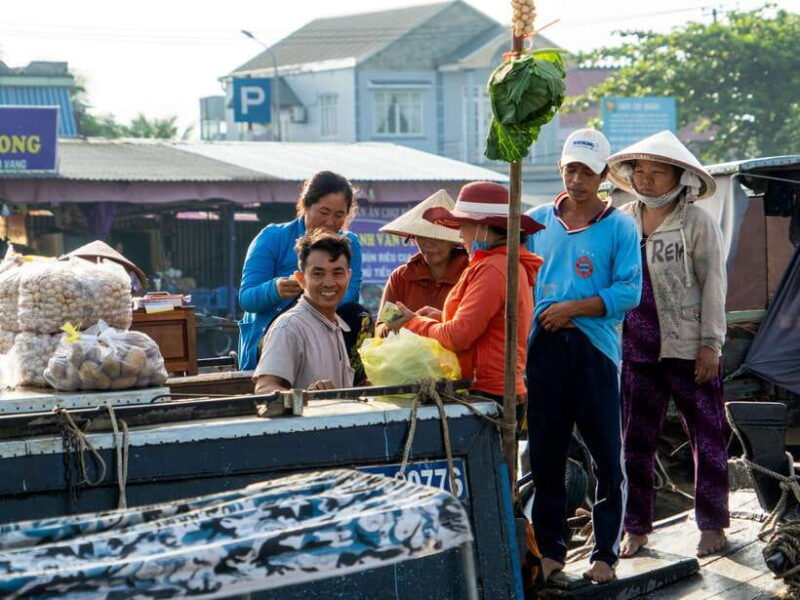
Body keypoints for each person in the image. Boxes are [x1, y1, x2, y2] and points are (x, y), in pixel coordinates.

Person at [525, 128, 642, 584]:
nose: (578, 179)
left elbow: (628, 291)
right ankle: (551, 551)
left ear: (603, 175)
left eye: (588, 172)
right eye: (571, 169)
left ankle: (605, 554)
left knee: (607, 457)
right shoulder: (535, 222)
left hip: (595, 350)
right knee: (546, 454)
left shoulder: (620, 226)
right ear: (560, 169)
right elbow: (518, 286)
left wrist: (573, 309)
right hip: (544, 349)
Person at [607, 130, 729, 559]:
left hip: (689, 345)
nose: (645, 179)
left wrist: (711, 344)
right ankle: (636, 528)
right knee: (634, 443)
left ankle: (712, 525)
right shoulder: (620, 220)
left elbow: (714, 283)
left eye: (656, 172)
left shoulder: (697, 221)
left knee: (708, 435)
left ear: (678, 177)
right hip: (636, 348)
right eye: (639, 171)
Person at [386, 181, 543, 405]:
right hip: (492, 390)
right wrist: (438, 317)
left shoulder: (493, 268)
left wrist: (412, 322)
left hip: (488, 393)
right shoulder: (500, 263)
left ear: (482, 227)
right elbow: (484, 327)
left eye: (463, 225)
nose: (459, 234)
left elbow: (457, 336)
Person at [238, 171, 367, 373]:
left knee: (359, 315)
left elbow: (350, 295)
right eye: (324, 212)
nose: (331, 222)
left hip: (326, 332)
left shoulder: (350, 244)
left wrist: (316, 292)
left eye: (339, 215)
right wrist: (275, 289)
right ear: (305, 205)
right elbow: (246, 298)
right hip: (271, 338)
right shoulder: (272, 237)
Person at [253, 231, 354, 394]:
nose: (329, 283)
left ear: (348, 276)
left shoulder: (337, 325)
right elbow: (265, 389)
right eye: (318, 274)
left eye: (337, 273)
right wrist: (307, 397)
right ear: (301, 279)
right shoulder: (289, 327)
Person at [375, 190, 469, 337]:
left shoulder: (470, 274)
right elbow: (380, 328)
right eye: (422, 237)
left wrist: (438, 319)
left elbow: (473, 328)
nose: (428, 244)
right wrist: (395, 325)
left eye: (438, 238)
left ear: (453, 241)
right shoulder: (401, 277)